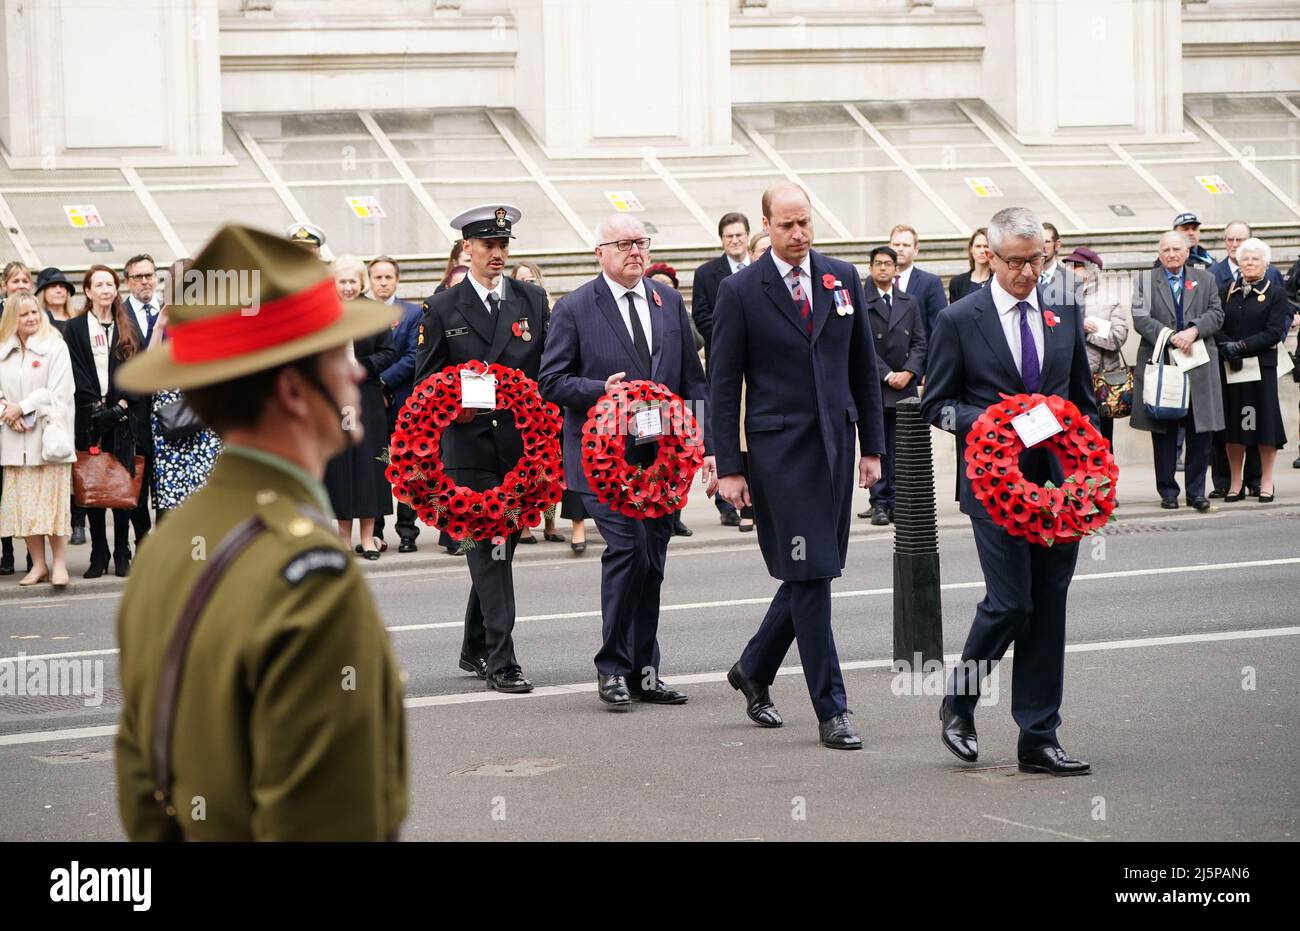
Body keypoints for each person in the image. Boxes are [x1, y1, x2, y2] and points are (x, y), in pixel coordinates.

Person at [112, 223, 407, 841]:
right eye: (336, 356)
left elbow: (144, 790)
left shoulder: (169, 542)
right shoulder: (309, 572)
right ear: (296, 391)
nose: (354, 376)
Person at [922, 206, 1099, 776]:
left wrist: (1091, 466)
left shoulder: (1063, 310)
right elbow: (938, 406)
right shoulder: (958, 318)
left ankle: (1039, 737)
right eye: (1017, 262)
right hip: (993, 485)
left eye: (1037, 260)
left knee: (1049, 607)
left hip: (1057, 487)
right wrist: (997, 425)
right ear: (991, 257)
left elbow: (1081, 399)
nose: (1028, 272)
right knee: (1010, 603)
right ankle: (961, 700)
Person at [711, 182, 886, 750]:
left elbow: (863, 367)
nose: (798, 234)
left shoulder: (842, 278)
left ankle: (753, 668)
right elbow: (723, 385)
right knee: (811, 575)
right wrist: (730, 467)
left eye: (804, 222)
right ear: (766, 225)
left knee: (815, 569)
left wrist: (873, 447)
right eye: (786, 225)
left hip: (836, 449)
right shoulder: (741, 291)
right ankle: (831, 707)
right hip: (779, 457)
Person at [540, 213, 717, 710]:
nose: (635, 251)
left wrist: (706, 448)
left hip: (660, 464)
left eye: (641, 242)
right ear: (601, 253)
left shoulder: (667, 305)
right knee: (628, 551)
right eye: (624, 243)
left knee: (653, 563)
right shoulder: (576, 307)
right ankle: (612, 668)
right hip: (602, 464)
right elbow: (551, 381)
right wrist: (604, 391)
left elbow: (693, 384)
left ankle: (645, 670)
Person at [415, 204, 552, 694]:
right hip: (469, 448)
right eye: (488, 245)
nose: (497, 253)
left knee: (501, 549)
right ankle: (502, 659)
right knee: (490, 548)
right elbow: (425, 382)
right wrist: (454, 402)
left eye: (503, 245)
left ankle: (474, 646)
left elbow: (544, 373)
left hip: (518, 447)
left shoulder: (532, 300)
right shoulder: (443, 308)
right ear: (466, 249)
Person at [1130, 231, 1225, 511]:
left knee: (1199, 430)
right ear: (1159, 253)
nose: (1171, 254)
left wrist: (1194, 330)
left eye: (1176, 249)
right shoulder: (1145, 281)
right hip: (1162, 363)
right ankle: (1168, 491)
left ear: (1187, 252)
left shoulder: (1205, 278)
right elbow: (1140, 318)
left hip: (1197, 364)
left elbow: (1217, 314)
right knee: (1164, 429)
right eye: (1166, 249)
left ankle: (1196, 492)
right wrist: (1172, 336)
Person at [65, 265, 149, 578]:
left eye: (109, 284)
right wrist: (95, 406)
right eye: (98, 284)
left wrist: (121, 405)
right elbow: (75, 369)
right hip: (89, 418)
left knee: (120, 485)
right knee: (94, 485)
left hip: (124, 417)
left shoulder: (126, 325)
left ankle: (122, 551)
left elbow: (138, 368)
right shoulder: (75, 328)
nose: (105, 290)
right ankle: (98, 552)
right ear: (88, 291)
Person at [0, 291, 77, 587]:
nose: (31, 318)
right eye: (24, 314)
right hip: (13, 438)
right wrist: (9, 413)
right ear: (12, 319)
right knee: (26, 507)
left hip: (46, 440)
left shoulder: (55, 346)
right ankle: (39, 565)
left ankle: (59, 564)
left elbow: (58, 392)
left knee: (52, 506)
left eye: (35, 312)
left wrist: (24, 408)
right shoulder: (3, 350)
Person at [323, 256, 396, 559]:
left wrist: (359, 364)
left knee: (368, 466)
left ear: (361, 283)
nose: (348, 286)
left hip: (366, 397)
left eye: (353, 281)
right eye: (343, 281)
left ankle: (368, 538)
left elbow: (389, 352)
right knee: (340, 467)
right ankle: (342, 539)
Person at [1207, 221, 1282, 497]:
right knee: (1235, 427)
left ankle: (1265, 481)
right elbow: (1217, 321)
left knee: (1263, 426)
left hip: (1261, 369)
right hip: (1233, 369)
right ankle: (1235, 483)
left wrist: (1242, 346)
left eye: (1255, 258)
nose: (1249, 262)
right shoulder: (1227, 288)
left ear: (1265, 263)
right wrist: (1227, 346)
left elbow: (1274, 331)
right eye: (1245, 258)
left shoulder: (1275, 291)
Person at [510, 262, 581, 549]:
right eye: (522, 279)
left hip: (551, 397)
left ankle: (550, 522)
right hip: (524, 397)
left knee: (552, 464)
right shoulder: (512, 313)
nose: (529, 283)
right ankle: (525, 523)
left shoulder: (552, 310)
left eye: (532, 278)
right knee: (527, 463)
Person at [692, 211, 751, 530]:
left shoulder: (759, 268)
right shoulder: (707, 273)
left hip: (756, 365)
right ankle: (725, 503)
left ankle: (751, 495)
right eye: (729, 236)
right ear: (722, 240)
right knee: (723, 426)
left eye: (739, 234)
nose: (735, 240)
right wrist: (735, 335)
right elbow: (702, 317)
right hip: (723, 363)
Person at [861, 245, 926, 526]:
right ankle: (879, 503)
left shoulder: (909, 301)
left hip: (905, 387)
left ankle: (899, 501)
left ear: (896, 269)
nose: (883, 268)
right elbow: (862, 346)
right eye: (878, 263)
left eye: (888, 263)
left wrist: (909, 372)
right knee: (878, 446)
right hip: (877, 386)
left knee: (901, 448)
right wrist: (888, 375)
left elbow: (920, 342)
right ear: (871, 268)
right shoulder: (862, 302)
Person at [145, 302, 221, 523]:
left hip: (204, 412)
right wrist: (159, 327)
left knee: (205, 486)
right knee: (172, 490)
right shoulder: (160, 319)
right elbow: (149, 365)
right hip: (169, 414)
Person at [368, 256, 423, 553]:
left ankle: (407, 532)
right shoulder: (359, 313)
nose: (384, 282)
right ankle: (375, 530)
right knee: (375, 466)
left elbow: (414, 356)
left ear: (397, 280)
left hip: (402, 400)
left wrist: (383, 381)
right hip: (370, 404)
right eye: (378, 277)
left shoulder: (413, 313)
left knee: (405, 466)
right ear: (370, 280)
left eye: (388, 277)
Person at [646, 261, 695, 540]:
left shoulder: (675, 309)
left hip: (680, 403)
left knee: (681, 463)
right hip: (646, 409)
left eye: (668, 283)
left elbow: (695, 346)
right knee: (657, 463)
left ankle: (676, 514)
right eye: (658, 282)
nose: (662, 288)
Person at [1063, 247, 1128, 447]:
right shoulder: (1058, 297)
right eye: (1070, 266)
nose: (1072, 270)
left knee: (1102, 441)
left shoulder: (1110, 299)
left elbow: (1118, 337)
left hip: (1099, 384)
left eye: (1078, 266)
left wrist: (1089, 330)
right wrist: (1078, 325)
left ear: (1092, 269)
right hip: (1067, 382)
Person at [121, 254, 163, 544]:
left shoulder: (172, 309)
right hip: (135, 411)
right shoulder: (119, 314)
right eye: (138, 277)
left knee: (166, 484)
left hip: (169, 412)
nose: (145, 281)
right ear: (127, 282)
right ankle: (143, 541)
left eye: (149, 275)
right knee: (138, 480)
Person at [0, 262, 35, 574]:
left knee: (28, 488)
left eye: (26, 280)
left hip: (30, 416)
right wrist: (5, 411)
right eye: (15, 280)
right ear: (4, 285)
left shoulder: (39, 319)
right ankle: (7, 551)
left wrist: (23, 408)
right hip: (3, 418)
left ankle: (32, 556)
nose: (21, 284)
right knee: (3, 490)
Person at [888, 224, 948, 338]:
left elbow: (938, 328)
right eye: (896, 244)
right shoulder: (875, 281)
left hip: (919, 353)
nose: (900, 249)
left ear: (916, 250)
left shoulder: (931, 283)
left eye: (906, 245)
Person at [1039, 222, 1083, 308]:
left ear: (1057, 245)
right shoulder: (1026, 277)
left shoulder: (1073, 281)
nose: (1042, 246)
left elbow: (1077, 317)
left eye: (1047, 242)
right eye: (1039, 242)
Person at [948, 228, 992, 303]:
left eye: (986, 246)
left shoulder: (998, 281)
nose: (982, 251)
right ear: (971, 249)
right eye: (978, 246)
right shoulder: (957, 282)